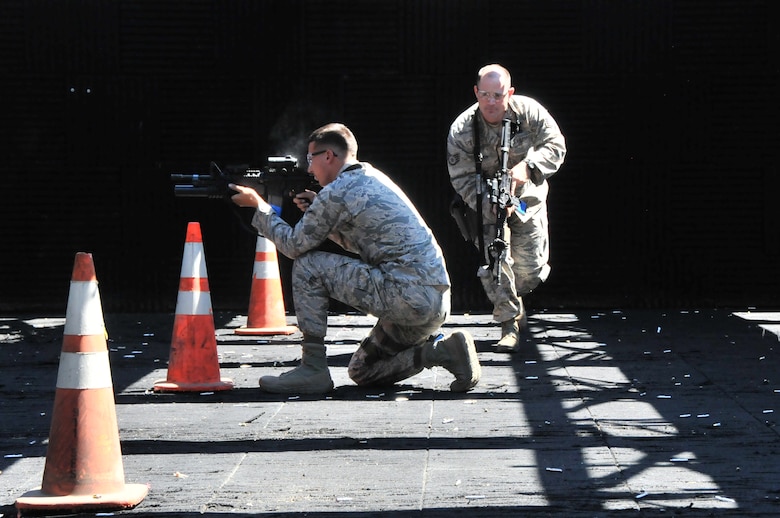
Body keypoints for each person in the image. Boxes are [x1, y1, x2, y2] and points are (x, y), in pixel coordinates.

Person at [230, 122, 481, 394]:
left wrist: (260, 208)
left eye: (310, 159)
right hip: (431, 301)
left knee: (308, 265)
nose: (309, 168)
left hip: (407, 295)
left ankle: (312, 368)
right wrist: (323, 212)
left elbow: (293, 245)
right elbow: (364, 243)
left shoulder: (338, 191)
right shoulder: (371, 177)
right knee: (363, 370)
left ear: (328, 156)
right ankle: (442, 352)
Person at [447, 64, 566, 353]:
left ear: (509, 93)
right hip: (486, 205)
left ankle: (516, 299)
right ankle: (509, 324)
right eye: (484, 94)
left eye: (497, 95)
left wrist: (529, 167)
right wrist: (493, 205)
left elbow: (556, 145)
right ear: (476, 92)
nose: (490, 102)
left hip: (527, 200)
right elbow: (461, 178)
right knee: (496, 267)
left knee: (530, 271)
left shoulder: (529, 112)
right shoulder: (462, 129)